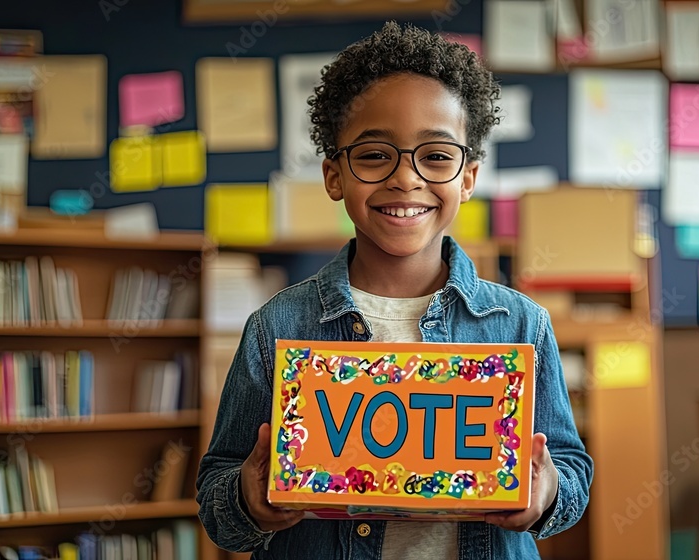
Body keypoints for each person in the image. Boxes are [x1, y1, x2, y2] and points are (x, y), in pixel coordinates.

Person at [196, 21, 592, 560]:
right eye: (375, 155)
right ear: (335, 176)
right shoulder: (277, 328)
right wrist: (249, 497)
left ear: (469, 177)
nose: (406, 180)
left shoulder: (521, 325)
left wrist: (546, 493)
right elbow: (218, 500)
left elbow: (570, 473)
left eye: (435, 156)